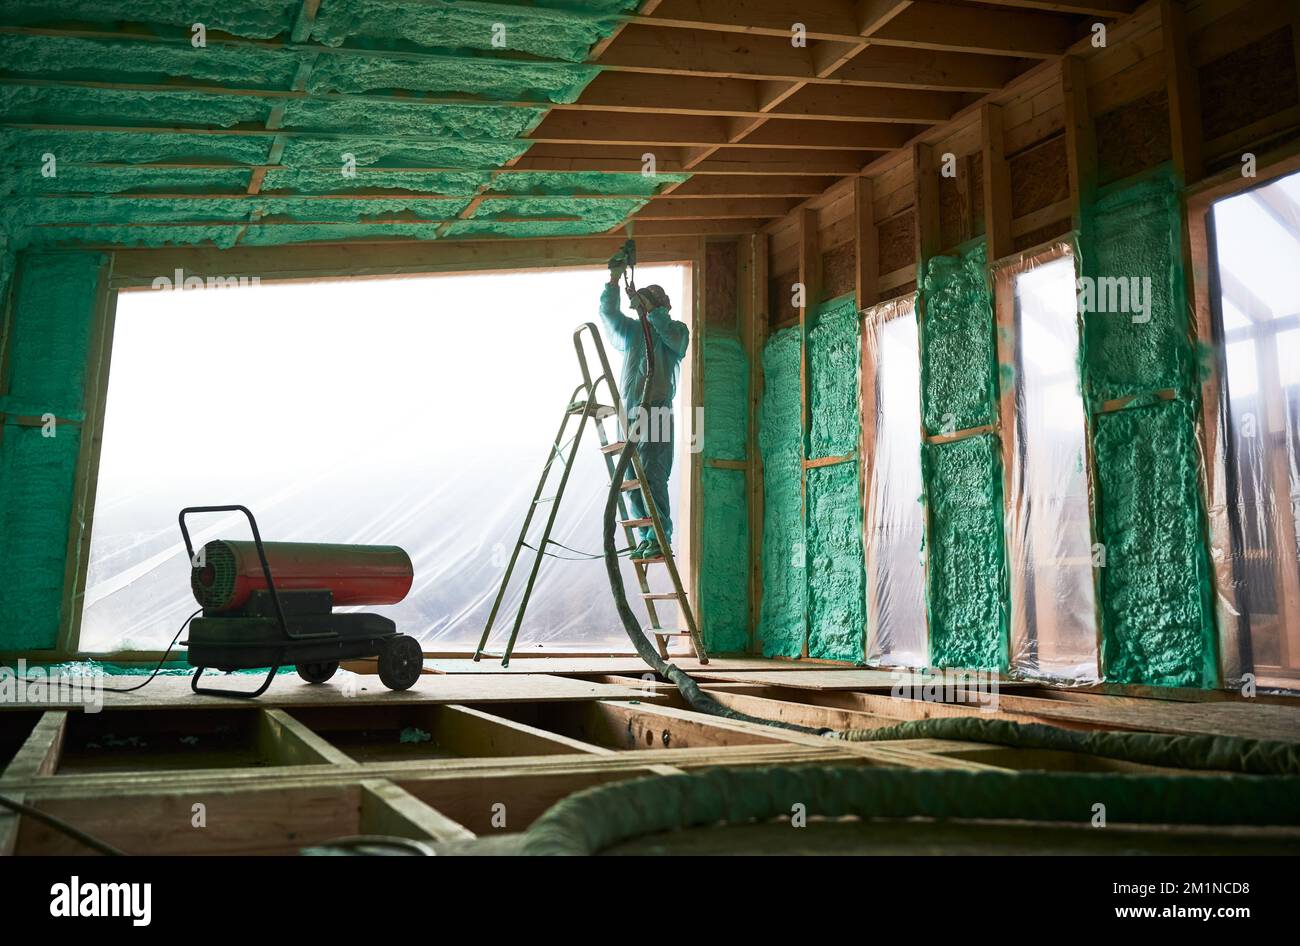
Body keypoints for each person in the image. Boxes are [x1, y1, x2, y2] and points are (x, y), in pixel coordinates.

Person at [600, 249, 688, 561]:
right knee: (632, 478)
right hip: (630, 410)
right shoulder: (633, 330)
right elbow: (609, 316)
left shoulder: (675, 332)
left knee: (654, 473)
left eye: (651, 303)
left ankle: (659, 536)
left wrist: (651, 310)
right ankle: (645, 537)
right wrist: (613, 281)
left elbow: (672, 335)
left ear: (662, 307)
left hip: (658, 411)